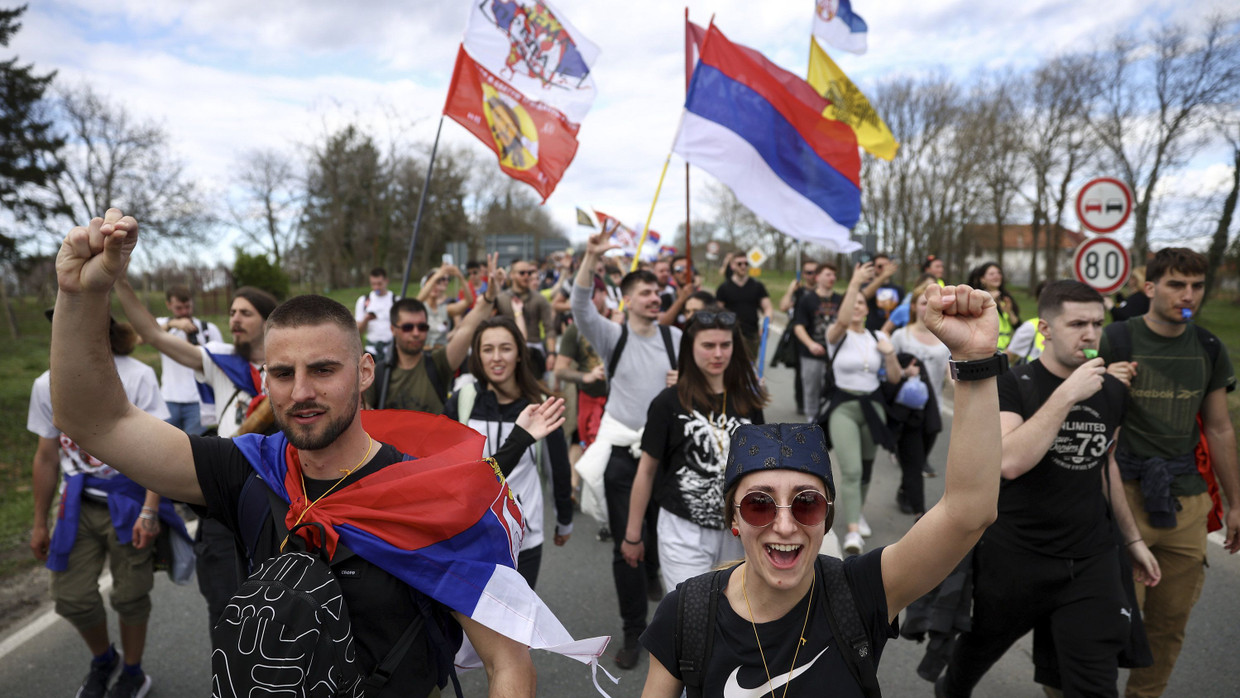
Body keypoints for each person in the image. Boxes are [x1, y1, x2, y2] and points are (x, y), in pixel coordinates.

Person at [49, 209, 610, 698]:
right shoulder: (249, 470)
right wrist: (81, 294)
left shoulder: (438, 497)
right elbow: (96, 421)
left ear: (364, 372)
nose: (301, 392)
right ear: (263, 378)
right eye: (283, 373)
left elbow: (507, 663)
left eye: (323, 369)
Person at [637, 279, 1004, 696]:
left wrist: (975, 361)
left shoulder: (861, 593)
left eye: (806, 504)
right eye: (759, 505)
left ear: (828, 517)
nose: (785, 525)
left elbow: (968, 512)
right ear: (734, 519)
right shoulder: (685, 614)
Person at [938, 280, 1162, 697]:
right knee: (967, 667)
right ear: (1045, 329)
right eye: (1077, 323)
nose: (1090, 334)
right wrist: (1066, 396)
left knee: (1094, 684)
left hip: (1088, 559)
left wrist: (1132, 540)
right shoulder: (1012, 383)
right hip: (1017, 557)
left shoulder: (1110, 390)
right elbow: (1009, 461)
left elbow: (1104, 462)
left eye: (1097, 323)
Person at [1099, 247, 1239, 698]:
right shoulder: (1117, 338)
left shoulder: (1208, 347)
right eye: (1177, 284)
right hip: (1123, 498)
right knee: (1106, 622)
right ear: (1150, 287)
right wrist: (1107, 382)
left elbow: (1219, 429)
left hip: (1187, 502)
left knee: (1168, 625)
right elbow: (1086, 419)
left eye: (1197, 286)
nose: (1189, 295)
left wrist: (1235, 503)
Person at [29, 315, 185, 698]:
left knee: (130, 594)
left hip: (129, 499)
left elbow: (158, 450)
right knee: (71, 597)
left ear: (104, 329)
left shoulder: (136, 376)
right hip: (78, 503)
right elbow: (47, 457)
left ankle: (133, 672)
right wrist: (38, 522)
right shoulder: (45, 384)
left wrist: (150, 510)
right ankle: (104, 660)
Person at [115, 278, 279, 632]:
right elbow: (155, 336)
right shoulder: (220, 360)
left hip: (280, 495)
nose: (235, 318)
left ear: (268, 321)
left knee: (278, 602)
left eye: (245, 313)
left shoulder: (291, 368)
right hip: (227, 491)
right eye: (232, 311)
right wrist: (120, 282)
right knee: (225, 603)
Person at [571, 228, 682, 670]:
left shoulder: (676, 339)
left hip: (667, 458)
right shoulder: (612, 336)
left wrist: (684, 383)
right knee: (626, 545)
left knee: (660, 537)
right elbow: (580, 306)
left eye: (658, 291)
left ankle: (655, 571)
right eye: (646, 293)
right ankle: (634, 630)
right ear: (627, 301)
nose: (655, 298)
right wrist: (590, 257)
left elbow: (703, 388)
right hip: (622, 456)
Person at [621, 306, 769, 593]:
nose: (718, 354)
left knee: (734, 614)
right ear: (690, 349)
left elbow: (762, 468)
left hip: (738, 529)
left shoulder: (749, 399)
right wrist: (632, 534)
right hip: (683, 530)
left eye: (725, 345)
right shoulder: (667, 402)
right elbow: (647, 470)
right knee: (689, 613)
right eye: (708, 346)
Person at [446, 316, 573, 589]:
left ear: (519, 354)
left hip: (524, 538)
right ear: (478, 356)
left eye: (505, 348)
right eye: (487, 349)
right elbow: (445, 469)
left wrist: (564, 520)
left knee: (517, 625)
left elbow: (558, 467)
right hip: (470, 535)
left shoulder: (538, 405)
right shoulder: (463, 400)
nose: (497, 357)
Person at [821, 263, 902, 556]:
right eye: (850, 302)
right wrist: (855, 282)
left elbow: (894, 378)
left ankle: (858, 511)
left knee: (867, 468)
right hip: (844, 407)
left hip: (873, 408)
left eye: (860, 303)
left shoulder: (878, 338)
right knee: (852, 470)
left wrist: (890, 355)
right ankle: (853, 531)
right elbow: (842, 319)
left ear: (867, 309)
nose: (855, 307)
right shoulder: (837, 334)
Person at [368, 254, 505, 414]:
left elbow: (467, 328)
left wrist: (489, 297)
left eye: (422, 327)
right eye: (407, 327)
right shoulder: (380, 373)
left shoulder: (438, 363)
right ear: (393, 329)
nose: (416, 333)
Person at [889, 279, 951, 513]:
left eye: (932, 304)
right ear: (914, 306)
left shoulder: (945, 338)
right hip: (906, 408)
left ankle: (905, 489)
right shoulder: (900, 336)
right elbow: (889, 372)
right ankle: (918, 509)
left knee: (920, 455)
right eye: (923, 303)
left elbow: (950, 373)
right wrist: (905, 372)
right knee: (913, 459)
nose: (927, 307)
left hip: (932, 409)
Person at [156, 285, 223, 436]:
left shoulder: (208, 329)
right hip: (168, 399)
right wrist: (172, 324)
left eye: (188, 307)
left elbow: (219, 361)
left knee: (194, 451)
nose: (184, 312)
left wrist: (197, 345)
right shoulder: (161, 325)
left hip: (198, 402)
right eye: (179, 308)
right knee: (166, 448)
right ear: (169, 305)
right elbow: (141, 339)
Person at [792, 261, 843, 420]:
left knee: (834, 390)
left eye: (834, 275)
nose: (832, 278)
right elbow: (798, 326)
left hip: (835, 355)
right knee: (812, 390)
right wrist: (811, 344)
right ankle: (812, 424)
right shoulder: (807, 300)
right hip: (812, 354)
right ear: (818, 277)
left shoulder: (840, 300)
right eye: (828, 274)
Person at [497, 258, 557, 374]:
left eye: (529, 273)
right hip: (507, 349)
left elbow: (549, 328)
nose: (526, 276)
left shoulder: (539, 299)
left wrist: (551, 354)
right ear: (512, 275)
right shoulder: (501, 299)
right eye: (522, 273)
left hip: (534, 351)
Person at [778, 259, 818, 416]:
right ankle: (801, 403)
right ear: (803, 275)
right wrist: (790, 290)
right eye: (808, 272)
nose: (812, 276)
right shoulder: (799, 292)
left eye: (815, 272)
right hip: (799, 336)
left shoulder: (821, 292)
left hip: (818, 334)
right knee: (800, 372)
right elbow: (783, 306)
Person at [715, 253, 773, 361]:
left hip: (752, 334)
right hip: (730, 335)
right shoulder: (723, 288)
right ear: (732, 266)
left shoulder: (757, 286)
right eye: (739, 263)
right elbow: (718, 311)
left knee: (750, 368)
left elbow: (768, 307)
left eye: (746, 263)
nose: (743, 266)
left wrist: (766, 324)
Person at [968, 262, 1021, 351]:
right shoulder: (976, 298)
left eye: (999, 273)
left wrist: (1009, 312)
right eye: (991, 274)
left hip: (1004, 354)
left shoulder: (1005, 299)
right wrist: (988, 299)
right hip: (985, 352)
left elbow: (1019, 328)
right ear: (982, 279)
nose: (996, 276)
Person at [417, 263, 470, 349]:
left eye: (446, 279)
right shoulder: (420, 307)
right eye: (440, 280)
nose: (436, 287)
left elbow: (468, 302)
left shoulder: (446, 307)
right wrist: (436, 276)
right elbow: (418, 301)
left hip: (442, 352)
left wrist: (460, 277)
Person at [355, 267, 397, 360]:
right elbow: (358, 332)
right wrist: (366, 319)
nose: (376, 287)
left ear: (386, 281)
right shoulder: (364, 301)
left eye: (379, 284)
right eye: (373, 284)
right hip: (371, 351)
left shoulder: (395, 300)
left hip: (391, 351)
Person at [863, 254, 903, 332]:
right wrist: (883, 276)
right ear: (874, 268)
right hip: (872, 331)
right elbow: (865, 295)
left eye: (887, 265)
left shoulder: (899, 289)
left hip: (893, 332)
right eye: (880, 266)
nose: (884, 269)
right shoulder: (866, 286)